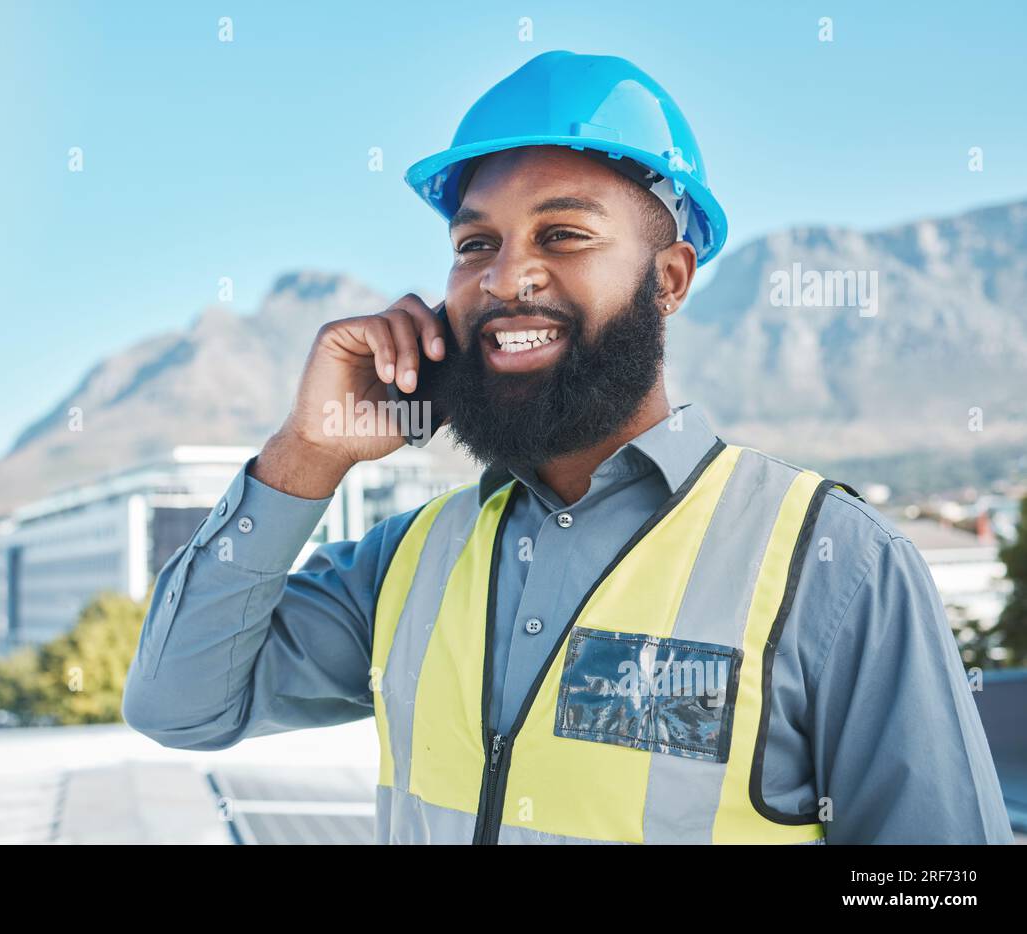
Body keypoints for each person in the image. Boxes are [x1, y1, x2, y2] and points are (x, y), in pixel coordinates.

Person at [122, 51, 1014, 844]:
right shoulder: (408, 561)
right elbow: (180, 705)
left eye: (564, 235)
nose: (508, 276)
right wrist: (309, 452)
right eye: (477, 243)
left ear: (668, 280)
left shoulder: (836, 567)